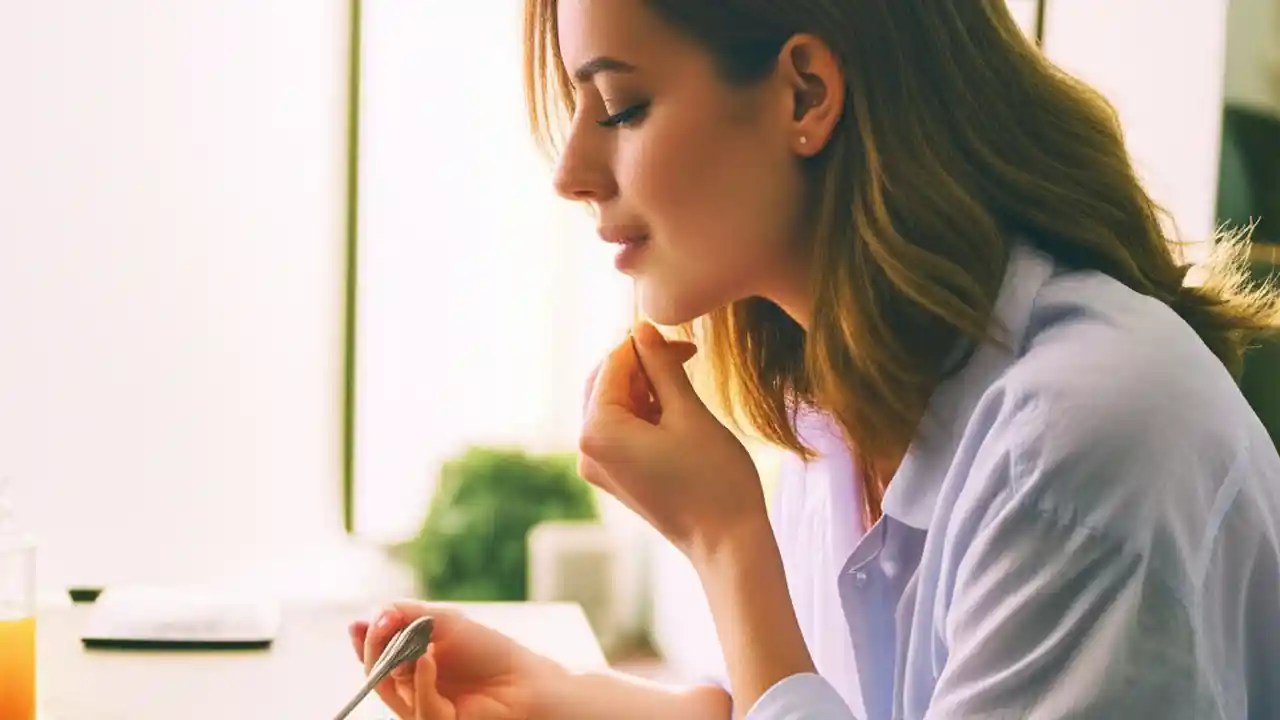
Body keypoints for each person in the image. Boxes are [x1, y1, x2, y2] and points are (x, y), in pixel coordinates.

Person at [348, 1, 1280, 718]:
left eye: (622, 106)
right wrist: (558, 697)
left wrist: (727, 546)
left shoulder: (1082, 445)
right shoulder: (844, 404)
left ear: (805, 93)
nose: (570, 171)